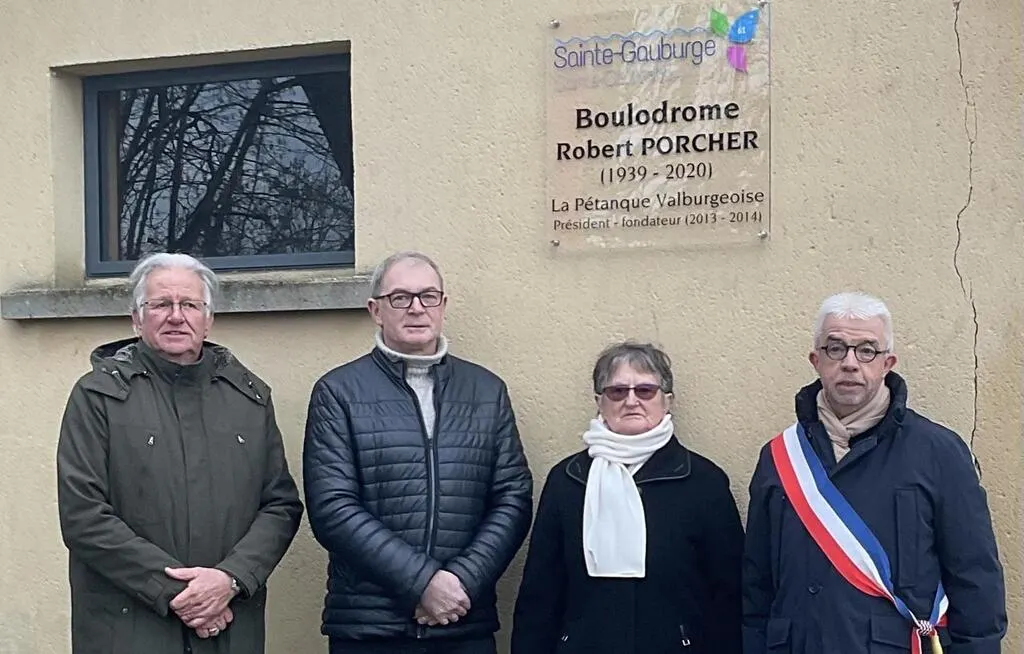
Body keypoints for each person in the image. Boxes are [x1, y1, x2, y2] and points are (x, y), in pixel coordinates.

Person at [56, 252, 304, 654]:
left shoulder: (250, 398)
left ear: (209, 318)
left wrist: (230, 580)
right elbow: (83, 516)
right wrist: (184, 593)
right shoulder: (98, 396)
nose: (176, 316)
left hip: (229, 628)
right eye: (161, 304)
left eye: (190, 304)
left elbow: (280, 506)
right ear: (137, 318)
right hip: (130, 630)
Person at [742, 292, 1007, 654]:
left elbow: (976, 583)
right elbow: (756, 587)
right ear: (816, 360)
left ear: (888, 363)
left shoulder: (938, 452)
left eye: (866, 350)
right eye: (836, 348)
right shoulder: (778, 457)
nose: (850, 363)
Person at [302, 250, 533, 654]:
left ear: (443, 305)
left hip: (464, 622)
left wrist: (461, 581)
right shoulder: (338, 392)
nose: (416, 308)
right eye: (400, 298)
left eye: (428, 296)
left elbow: (512, 498)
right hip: (371, 629)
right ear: (376, 310)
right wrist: (422, 582)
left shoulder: (486, 391)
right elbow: (332, 509)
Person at [511, 341, 745, 654]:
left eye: (645, 390)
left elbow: (729, 593)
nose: (631, 401)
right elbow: (541, 593)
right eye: (617, 391)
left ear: (667, 400)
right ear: (599, 401)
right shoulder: (568, 480)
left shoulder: (703, 482)